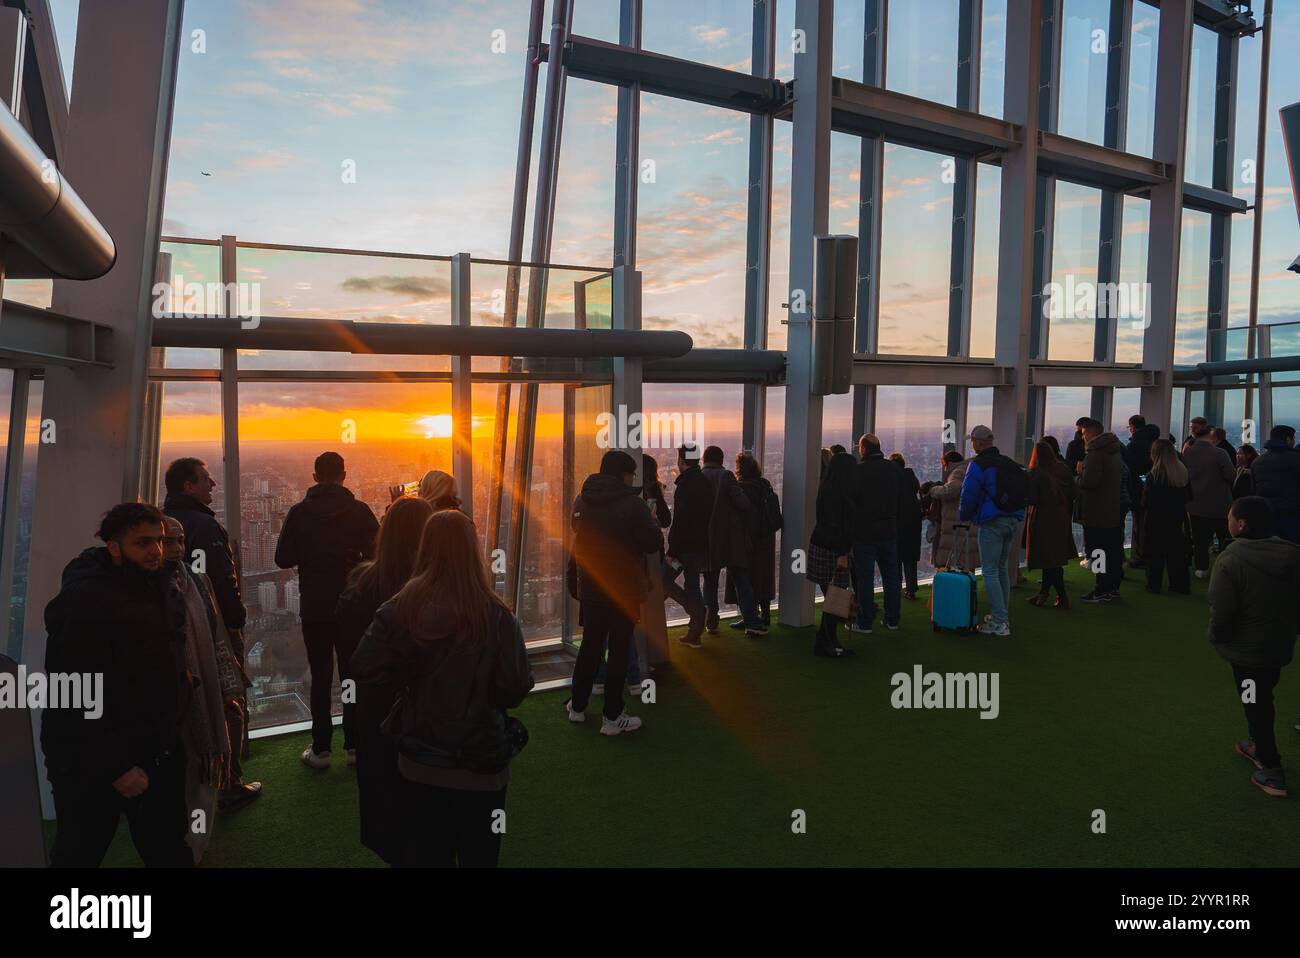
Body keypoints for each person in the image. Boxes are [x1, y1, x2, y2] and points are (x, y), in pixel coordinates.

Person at [350, 510, 534, 866]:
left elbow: (363, 665)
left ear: (425, 549)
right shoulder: (498, 618)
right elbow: (515, 689)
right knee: (481, 856)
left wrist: (407, 679)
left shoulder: (399, 610)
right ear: (473, 552)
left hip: (419, 763)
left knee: (428, 856)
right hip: (483, 765)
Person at [42, 503, 194, 868]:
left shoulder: (160, 585)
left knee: (170, 850)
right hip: (90, 763)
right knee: (79, 852)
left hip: (155, 751)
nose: (155, 550)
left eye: (159, 540)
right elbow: (70, 693)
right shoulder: (85, 601)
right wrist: (116, 768)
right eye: (143, 543)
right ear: (114, 547)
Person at [337, 495, 434, 865]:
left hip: (377, 714)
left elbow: (352, 657)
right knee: (428, 807)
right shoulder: (438, 590)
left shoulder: (359, 588)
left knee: (388, 801)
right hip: (428, 715)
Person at [275, 451, 380, 770]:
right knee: (351, 674)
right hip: (353, 607)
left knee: (320, 675)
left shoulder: (299, 513)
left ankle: (321, 750)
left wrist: (311, 555)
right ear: (344, 476)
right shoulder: (360, 512)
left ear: (315, 477)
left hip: (315, 607)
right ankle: (354, 745)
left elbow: (282, 558)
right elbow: (379, 554)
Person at [566, 450, 663, 733]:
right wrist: (653, 522)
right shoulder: (633, 505)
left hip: (592, 585)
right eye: (631, 474)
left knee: (591, 646)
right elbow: (651, 543)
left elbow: (576, 528)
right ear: (623, 474)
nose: (633, 479)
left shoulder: (582, 499)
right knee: (619, 650)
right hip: (624, 588)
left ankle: (577, 706)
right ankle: (612, 717)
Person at [1209, 496, 1300, 799]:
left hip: (1246, 653)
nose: (1227, 521)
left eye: (1230, 517)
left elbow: (1222, 611)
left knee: (1256, 705)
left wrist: (1217, 637)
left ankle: (1271, 769)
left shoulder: (1230, 561)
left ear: (1241, 524)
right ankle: (1259, 746)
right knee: (1262, 695)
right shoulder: (1292, 555)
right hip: (1279, 646)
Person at [162, 457, 249, 773]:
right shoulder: (204, 525)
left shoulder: (162, 522)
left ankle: (205, 774)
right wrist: (235, 620)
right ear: (188, 486)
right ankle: (229, 778)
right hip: (214, 626)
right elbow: (222, 579)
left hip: (180, 633)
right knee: (229, 695)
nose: (213, 483)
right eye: (205, 478)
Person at [162, 516, 235, 862]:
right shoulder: (146, 591)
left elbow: (216, 634)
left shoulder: (197, 582)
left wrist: (227, 683)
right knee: (181, 776)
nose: (176, 548)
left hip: (202, 692)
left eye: (180, 541)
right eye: (167, 541)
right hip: (169, 701)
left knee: (199, 770)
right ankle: (186, 845)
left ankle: (196, 846)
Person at [596, 453, 671, 686]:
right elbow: (657, 532)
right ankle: (635, 672)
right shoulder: (634, 500)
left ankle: (608, 676)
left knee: (607, 626)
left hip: (606, 570)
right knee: (627, 621)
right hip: (634, 566)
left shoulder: (592, 498)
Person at [959, 425, 1026, 635]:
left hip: (992, 522)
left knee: (989, 571)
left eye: (972, 441)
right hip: (1013, 519)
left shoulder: (978, 465)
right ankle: (1001, 614)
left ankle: (1000, 622)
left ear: (978, 443)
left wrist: (964, 515)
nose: (972, 445)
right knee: (1001, 568)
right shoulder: (1008, 462)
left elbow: (969, 494)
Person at [701, 445, 765, 635]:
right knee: (741, 579)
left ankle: (711, 622)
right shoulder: (726, 476)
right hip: (730, 538)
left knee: (709, 581)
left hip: (707, 538)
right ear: (721, 459)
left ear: (704, 459)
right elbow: (743, 503)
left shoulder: (699, 477)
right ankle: (752, 622)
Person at [849, 434, 902, 633]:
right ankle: (892, 619)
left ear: (863, 449)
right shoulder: (893, 469)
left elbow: (851, 501)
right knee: (891, 577)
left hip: (864, 534)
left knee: (865, 579)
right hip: (888, 531)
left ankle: (865, 622)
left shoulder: (858, 471)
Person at [808, 450, 857, 658]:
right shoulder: (840, 493)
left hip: (822, 546)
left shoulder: (827, 488)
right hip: (834, 551)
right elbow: (839, 526)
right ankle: (826, 642)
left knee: (833, 597)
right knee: (836, 598)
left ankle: (828, 641)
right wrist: (843, 552)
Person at [727, 453, 782, 628]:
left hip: (748, 540)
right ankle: (765, 615)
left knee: (747, 579)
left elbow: (743, 516)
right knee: (764, 576)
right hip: (766, 538)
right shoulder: (765, 484)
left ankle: (750, 617)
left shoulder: (742, 488)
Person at [666, 443, 711, 648]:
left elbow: (680, 521)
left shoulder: (685, 485)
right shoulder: (704, 482)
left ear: (682, 461)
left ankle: (697, 612)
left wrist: (672, 550)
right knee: (692, 584)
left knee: (664, 580)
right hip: (700, 544)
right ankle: (695, 628)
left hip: (683, 548)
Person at [1075, 418, 1125, 603]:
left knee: (1098, 551)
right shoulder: (1114, 450)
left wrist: (1078, 477)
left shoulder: (1095, 454)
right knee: (1111, 550)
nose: (1082, 437)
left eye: (1083, 433)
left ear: (1090, 433)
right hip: (1111, 509)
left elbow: (1090, 482)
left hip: (1096, 510)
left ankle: (1100, 588)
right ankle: (1112, 587)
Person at [1025, 440, 1076, 609]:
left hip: (1042, 519)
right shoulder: (1064, 469)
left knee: (1049, 560)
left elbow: (1032, 498)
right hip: (1061, 517)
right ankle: (1044, 593)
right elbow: (1073, 492)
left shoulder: (1036, 473)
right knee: (1054, 559)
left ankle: (1062, 597)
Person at [1142, 439, 1193, 595]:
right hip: (1177, 518)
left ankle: (1154, 585)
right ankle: (1180, 585)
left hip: (1156, 519)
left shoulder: (1154, 475)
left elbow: (1147, 502)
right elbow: (1189, 496)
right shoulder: (1182, 472)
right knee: (1176, 554)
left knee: (1154, 554)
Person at [1183, 430, 1235, 578]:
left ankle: (1201, 568)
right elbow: (1230, 475)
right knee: (1225, 538)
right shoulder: (1220, 453)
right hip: (1219, 504)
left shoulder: (1188, 453)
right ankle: (1227, 568)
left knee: (1200, 539)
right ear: (1210, 437)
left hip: (1195, 504)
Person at [930, 450, 981, 572]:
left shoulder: (958, 471)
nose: (944, 468)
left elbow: (952, 490)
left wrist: (934, 490)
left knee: (956, 562)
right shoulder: (969, 469)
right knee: (967, 564)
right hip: (969, 522)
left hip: (957, 522)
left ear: (949, 463)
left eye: (944, 465)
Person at [1251, 425, 1300, 543]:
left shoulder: (1257, 462)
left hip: (1267, 515)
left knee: (1271, 548)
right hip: (1293, 515)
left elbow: (1253, 490)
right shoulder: (1296, 459)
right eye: (1293, 438)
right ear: (1288, 439)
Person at [1123, 415, 1161, 568]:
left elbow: (1131, 469)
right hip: (1155, 489)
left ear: (1132, 427)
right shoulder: (1155, 442)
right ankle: (1151, 554)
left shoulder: (1133, 446)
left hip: (1137, 490)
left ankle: (1140, 556)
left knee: (1139, 523)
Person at [891, 453, 923, 600]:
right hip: (913, 523)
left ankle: (896, 588)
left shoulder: (893, 479)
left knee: (896, 559)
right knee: (910, 559)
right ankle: (911, 589)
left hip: (897, 523)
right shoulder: (911, 477)